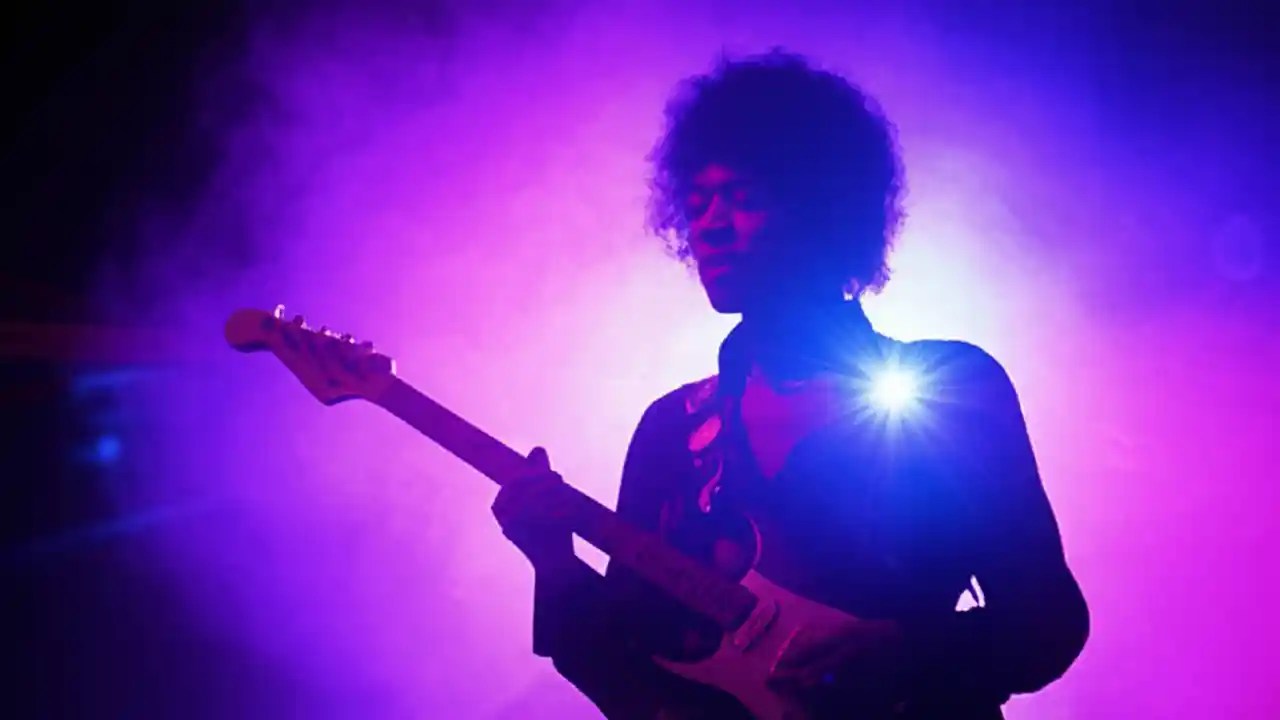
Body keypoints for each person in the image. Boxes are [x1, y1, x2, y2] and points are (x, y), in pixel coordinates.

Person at [491, 50, 1089, 719]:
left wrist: (904, 650)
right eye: (698, 201)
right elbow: (639, 693)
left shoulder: (949, 388)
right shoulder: (672, 432)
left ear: (822, 209)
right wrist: (553, 566)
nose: (710, 223)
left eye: (742, 198)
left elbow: (1051, 624)